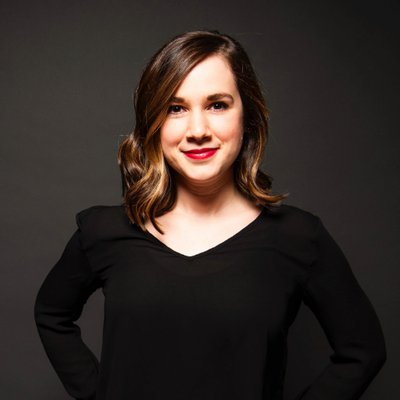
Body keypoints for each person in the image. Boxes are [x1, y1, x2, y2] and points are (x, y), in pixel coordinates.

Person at [34, 30, 386, 400]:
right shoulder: (103, 231)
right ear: (153, 123)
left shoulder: (298, 237)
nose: (198, 130)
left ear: (247, 114)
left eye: (217, 105)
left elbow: (363, 352)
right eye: (175, 108)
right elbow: (51, 314)